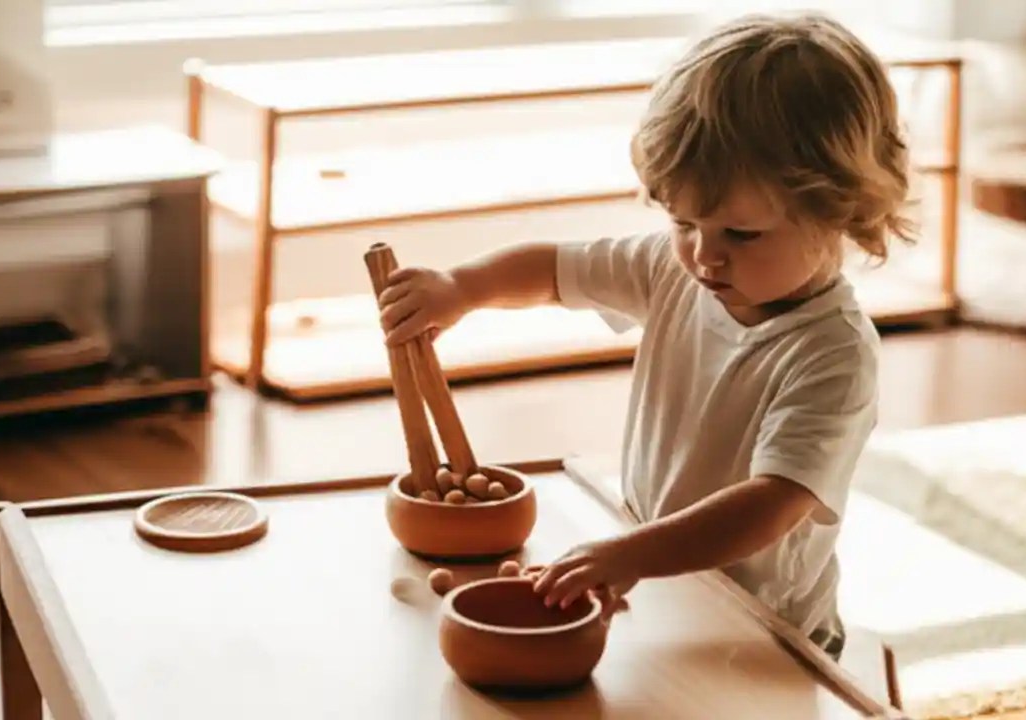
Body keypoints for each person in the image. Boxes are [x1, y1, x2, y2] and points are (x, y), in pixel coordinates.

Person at [374, 12, 915, 660]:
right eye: (683, 221)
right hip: (660, 584)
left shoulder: (834, 355)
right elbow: (555, 269)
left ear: (840, 211)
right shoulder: (671, 266)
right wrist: (461, 288)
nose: (704, 256)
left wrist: (627, 553)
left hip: (765, 634)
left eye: (741, 234)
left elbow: (771, 505)